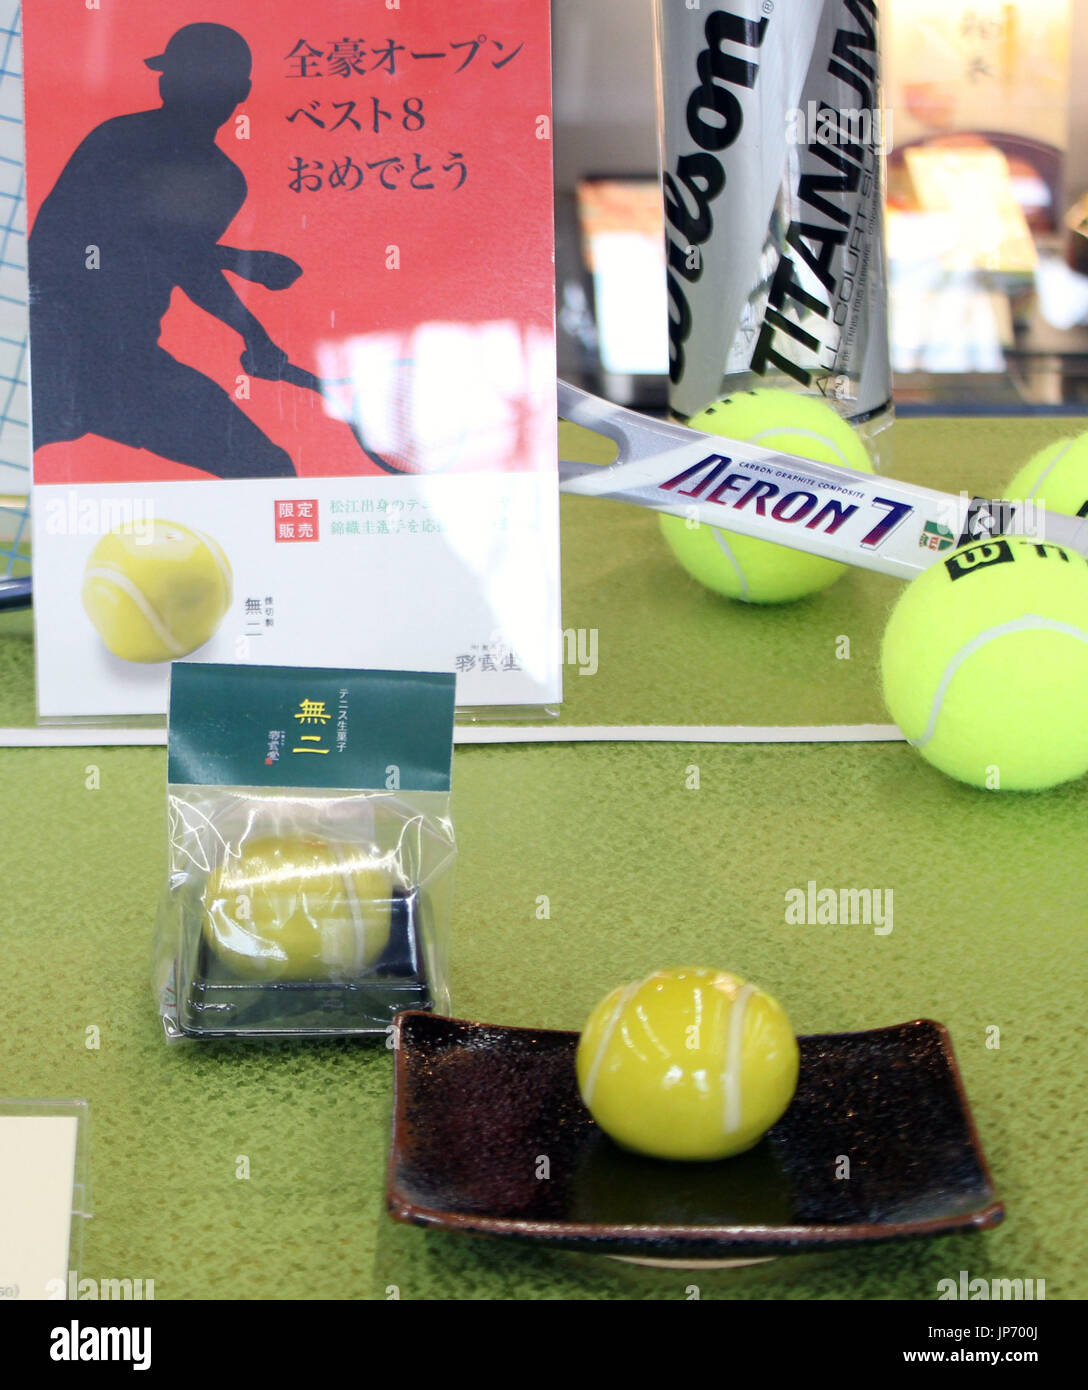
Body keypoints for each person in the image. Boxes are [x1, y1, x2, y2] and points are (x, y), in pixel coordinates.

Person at [29, 23, 301, 479]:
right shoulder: (119, 139)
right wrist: (239, 263)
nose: (171, 84)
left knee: (268, 470)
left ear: (240, 91)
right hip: (53, 338)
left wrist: (254, 333)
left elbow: (183, 262)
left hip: (126, 363)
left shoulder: (224, 180)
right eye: (174, 75)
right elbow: (132, 243)